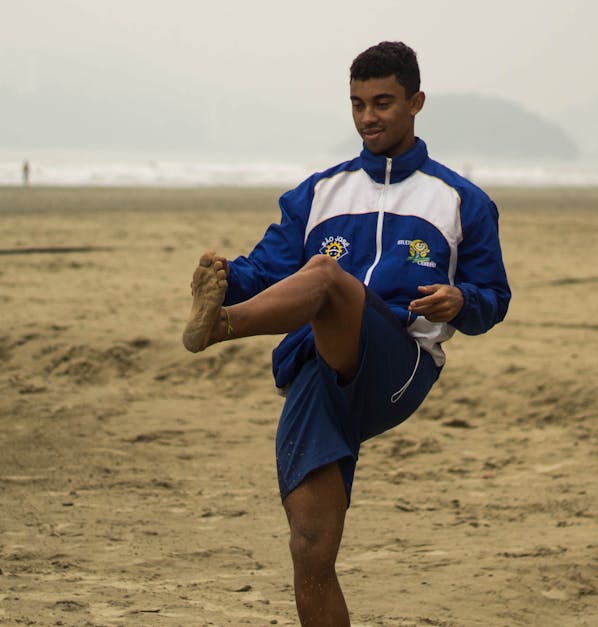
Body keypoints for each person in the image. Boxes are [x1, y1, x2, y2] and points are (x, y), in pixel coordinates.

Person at [182, 41, 510, 625]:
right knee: (310, 555)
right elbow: (267, 268)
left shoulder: (462, 201)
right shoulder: (318, 193)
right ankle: (225, 315)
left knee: (328, 279)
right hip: (315, 373)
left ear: (416, 102)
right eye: (357, 104)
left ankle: (223, 329)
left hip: (399, 363)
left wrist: (461, 301)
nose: (367, 118)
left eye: (383, 103)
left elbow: (494, 300)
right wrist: (229, 276)